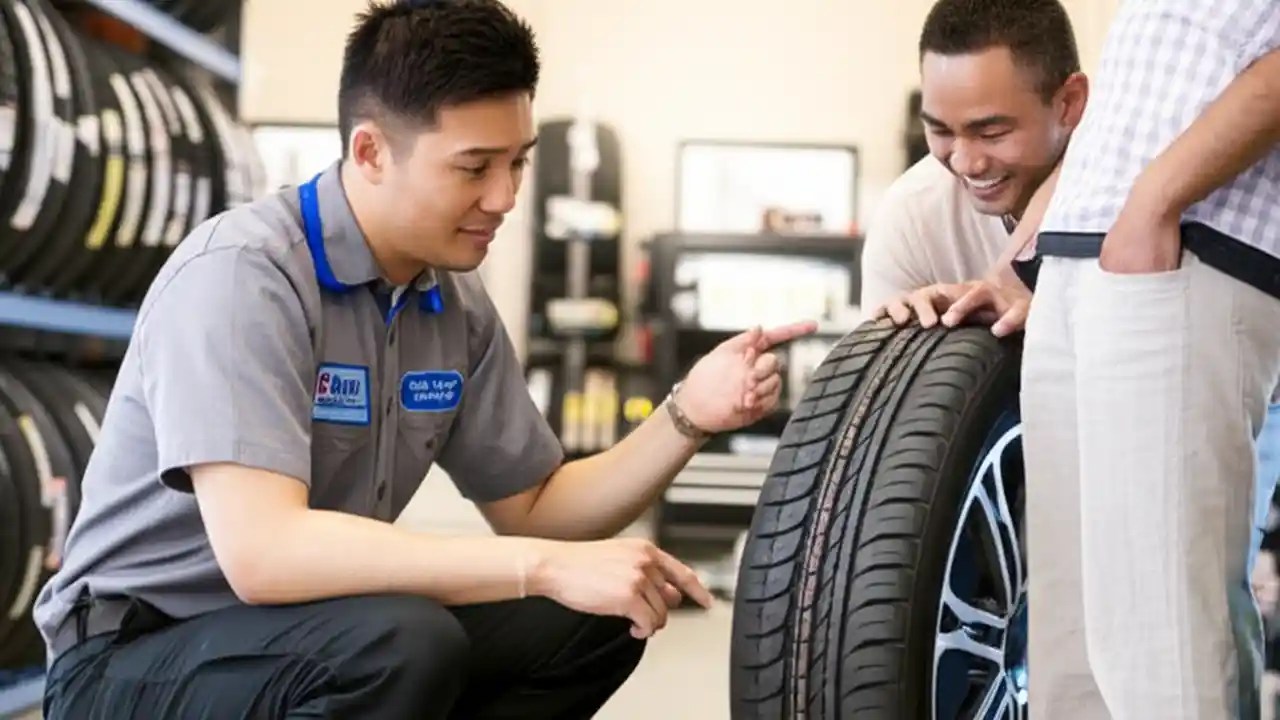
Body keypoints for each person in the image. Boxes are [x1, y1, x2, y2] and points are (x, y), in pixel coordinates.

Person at [32, 2, 817, 718]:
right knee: (401, 644)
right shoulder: (244, 275)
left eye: (518, 162)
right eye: (475, 167)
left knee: (596, 615)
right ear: (371, 151)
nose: (506, 196)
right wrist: (538, 567)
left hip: (295, 633)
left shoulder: (452, 301)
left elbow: (538, 506)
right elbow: (265, 556)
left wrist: (687, 415)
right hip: (130, 659)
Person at [892, 2, 1280, 716]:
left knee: (1161, 637)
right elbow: (1113, 132)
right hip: (1084, 255)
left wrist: (1154, 203)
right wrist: (1017, 268)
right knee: (1071, 645)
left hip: (1184, 245)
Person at [860, 0, 1086, 327]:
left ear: (1069, 103)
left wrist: (1044, 325)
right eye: (939, 130)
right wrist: (901, 344)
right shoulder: (911, 218)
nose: (965, 163)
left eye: (991, 133)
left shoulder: (1138, 193)